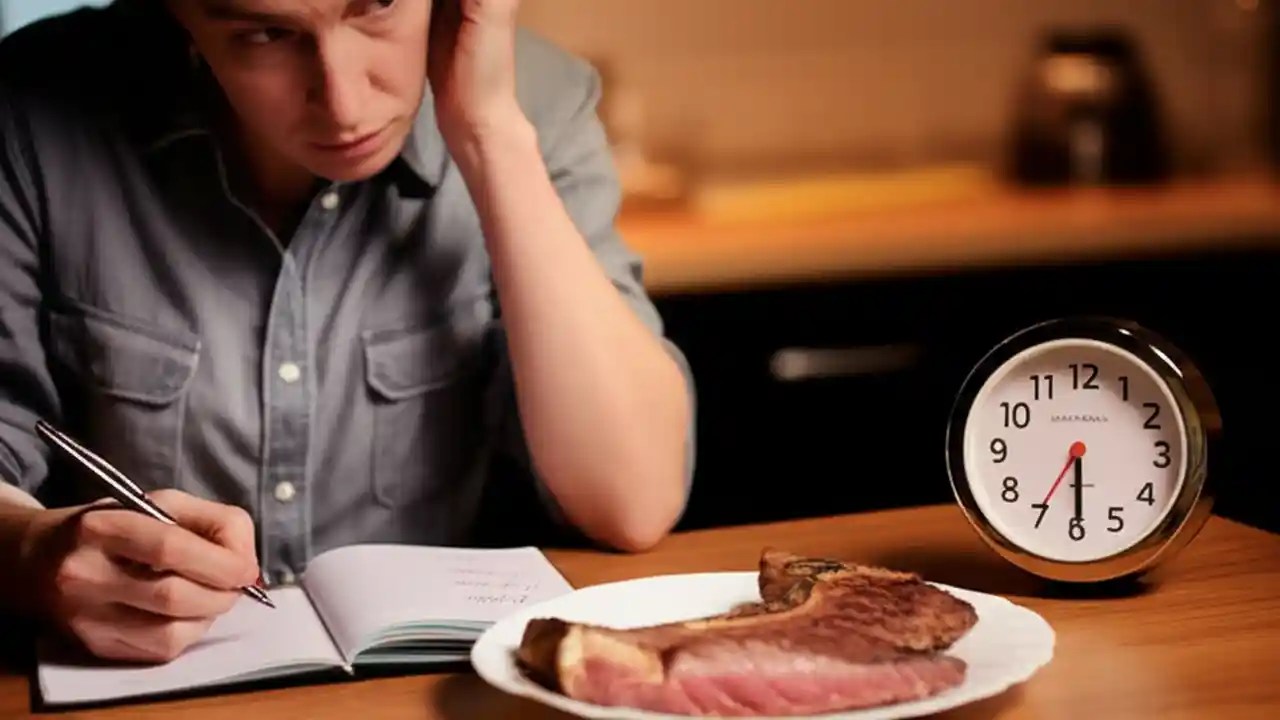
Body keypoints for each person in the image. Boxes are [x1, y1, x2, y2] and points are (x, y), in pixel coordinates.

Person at [0, 0, 696, 663]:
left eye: (379, 5)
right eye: (266, 34)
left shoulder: (536, 101)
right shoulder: (30, 113)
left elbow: (631, 502)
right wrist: (29, 550)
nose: (345, 104)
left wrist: (489, 133)